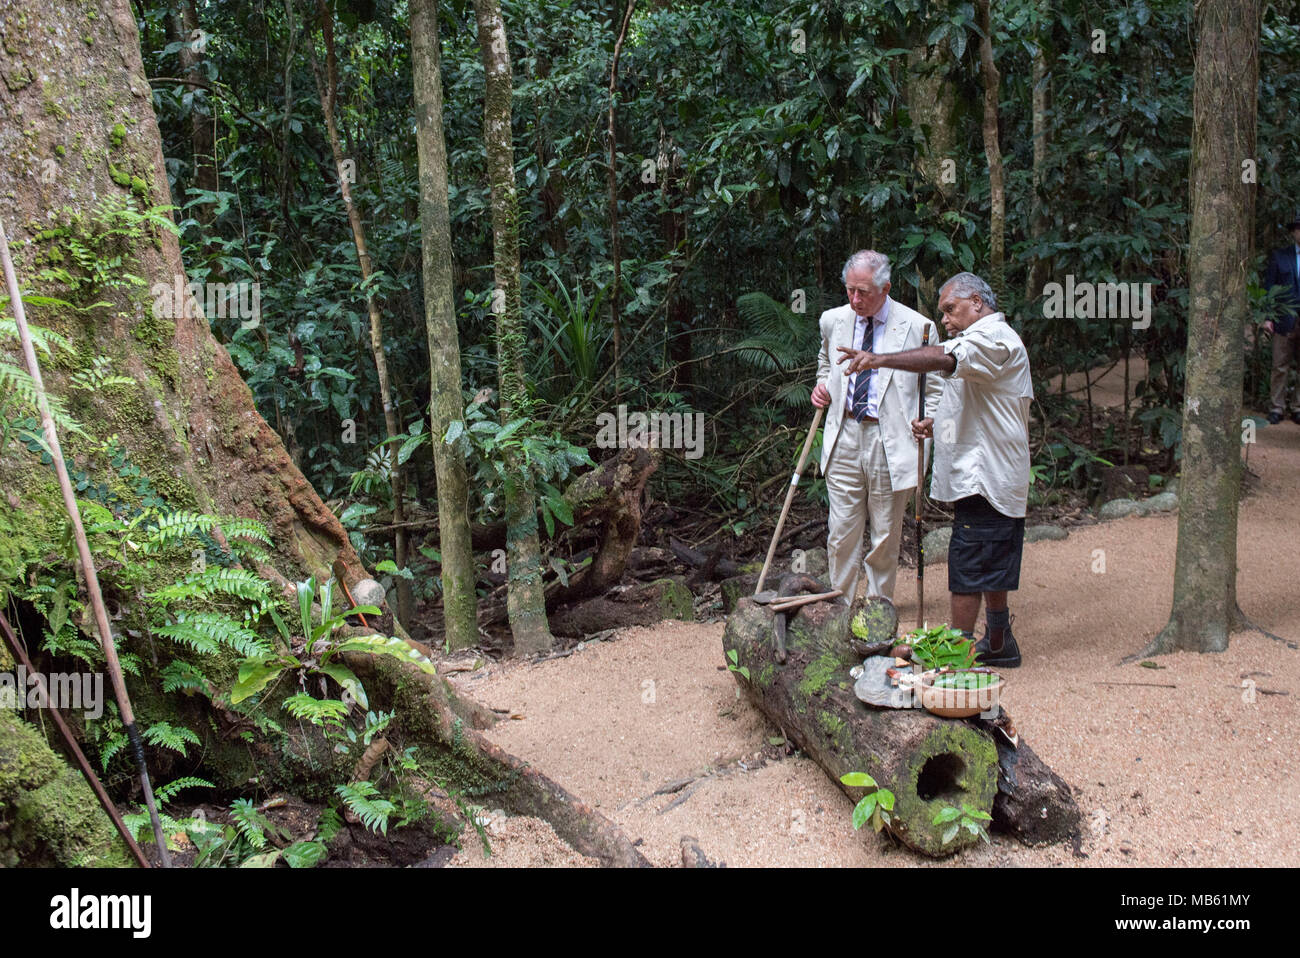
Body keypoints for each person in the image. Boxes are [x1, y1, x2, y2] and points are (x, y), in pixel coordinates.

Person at [837, 272, 1032, 667]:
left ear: (977, 302)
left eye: (950, 309)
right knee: (988, 557)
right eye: (942, 312)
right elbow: (978, 403)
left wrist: (879, 359)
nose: (944, 319)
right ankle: (998, 640)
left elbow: (946, 359)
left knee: (968, 560)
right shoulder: (982, 341)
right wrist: (936, 424)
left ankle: (954, 652)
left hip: (987, 474)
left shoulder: (995, 339)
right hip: (984, 472)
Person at [812, 250, 943, 606]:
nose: (855, 299)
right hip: (845, 434)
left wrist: (928, 423)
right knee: (840, 531)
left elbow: (935, 387)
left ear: (886, 288)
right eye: (850, 290)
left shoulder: (918, 327)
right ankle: (839, 607)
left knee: (885, 532)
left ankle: (877, 609)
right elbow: (826, 364)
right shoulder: (832, 320)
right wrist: (822, 385)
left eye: (864, 292)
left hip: (892, 438)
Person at [1263, 215, 1300, 425]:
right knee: (1280, 365)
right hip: (1284, 319)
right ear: (1293, 232)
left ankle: (1298, 407)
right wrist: (1268, 317)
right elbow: (1269, 289)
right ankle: (1276, 407)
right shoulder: (1280, 256)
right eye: (1298, 228)